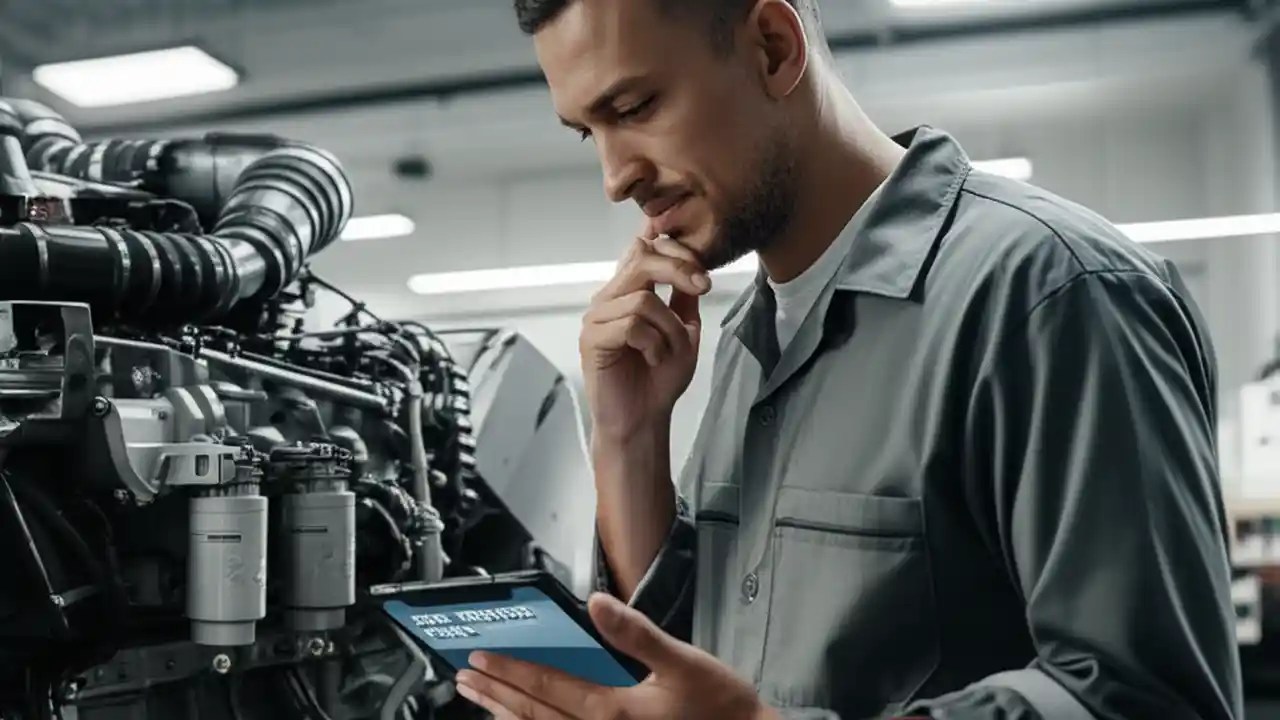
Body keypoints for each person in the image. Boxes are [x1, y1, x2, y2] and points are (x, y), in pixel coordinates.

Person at [452, 0, 1245, 718]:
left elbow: (1149, 696)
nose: (615, 176)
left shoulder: (1052, 293)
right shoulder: (746, 341)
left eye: (635, 107)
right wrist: (627, 438)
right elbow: (701, 665)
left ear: (772, 46)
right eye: (591, 131)